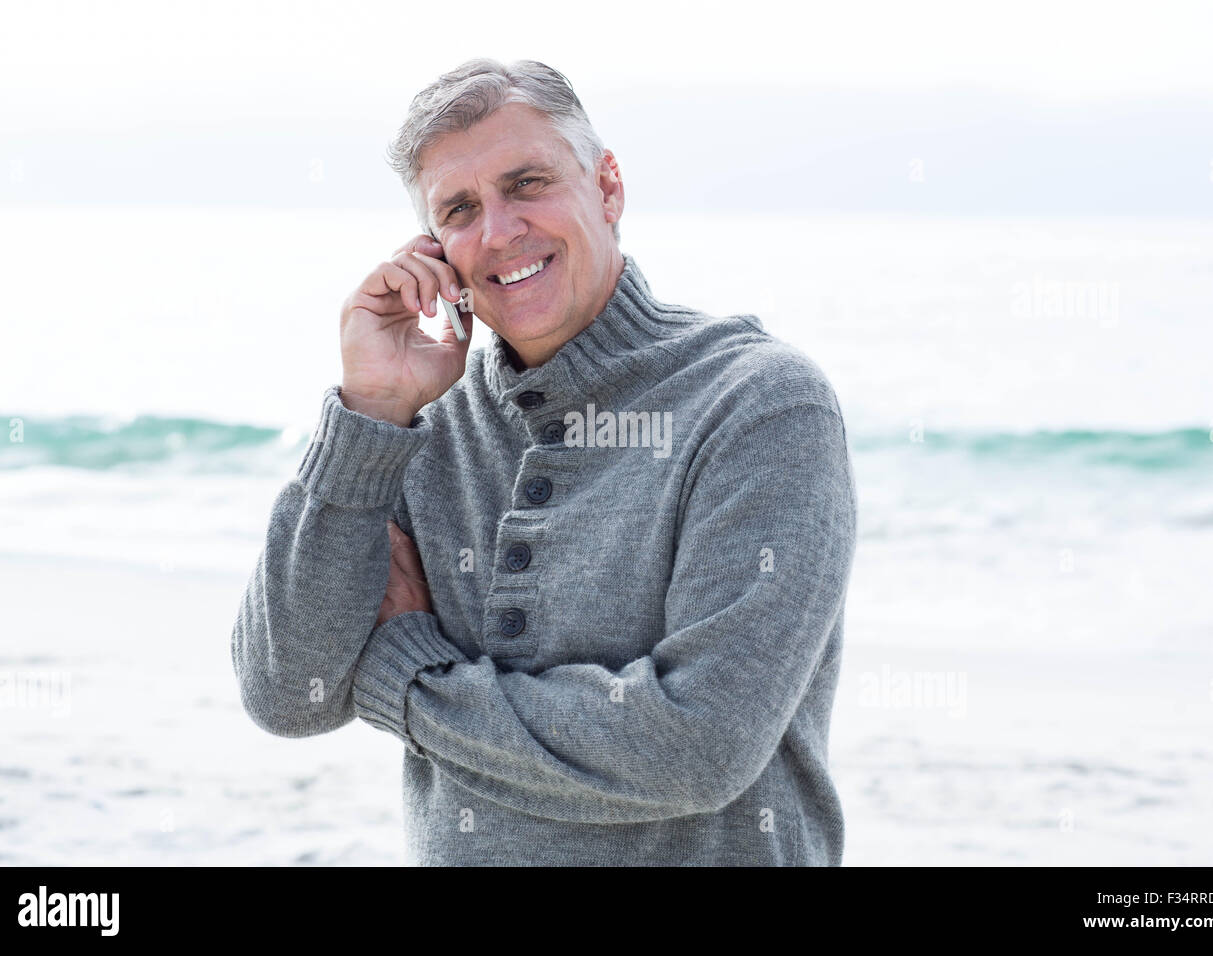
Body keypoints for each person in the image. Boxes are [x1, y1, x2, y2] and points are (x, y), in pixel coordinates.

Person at [231, 57, 858, 865]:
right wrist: (369, 415)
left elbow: (699, 748)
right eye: (460, 209)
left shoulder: (762, 403)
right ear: (433, 247)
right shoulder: (414, 430)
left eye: (527, 184)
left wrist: (409, 682)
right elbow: (288, 694)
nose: (498, 231)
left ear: (608, 188)